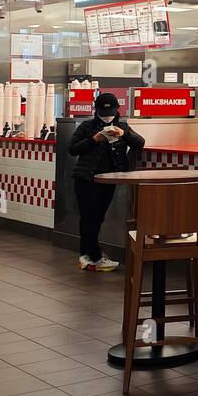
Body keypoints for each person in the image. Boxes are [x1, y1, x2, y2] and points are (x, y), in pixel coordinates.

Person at [68, 92, 144, 272]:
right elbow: (72, 148)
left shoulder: (121, 126)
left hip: (107, 180)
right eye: (103, 111)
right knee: (89, 218)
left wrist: (124, 134)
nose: (107, 115)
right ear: (97, 110)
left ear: (117, 110)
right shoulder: (87, 127)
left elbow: (139, 143)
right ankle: (92, 255)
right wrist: (94, 140)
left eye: (110, 111)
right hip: (86, 178)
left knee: (97, 218)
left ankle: (88, 256)